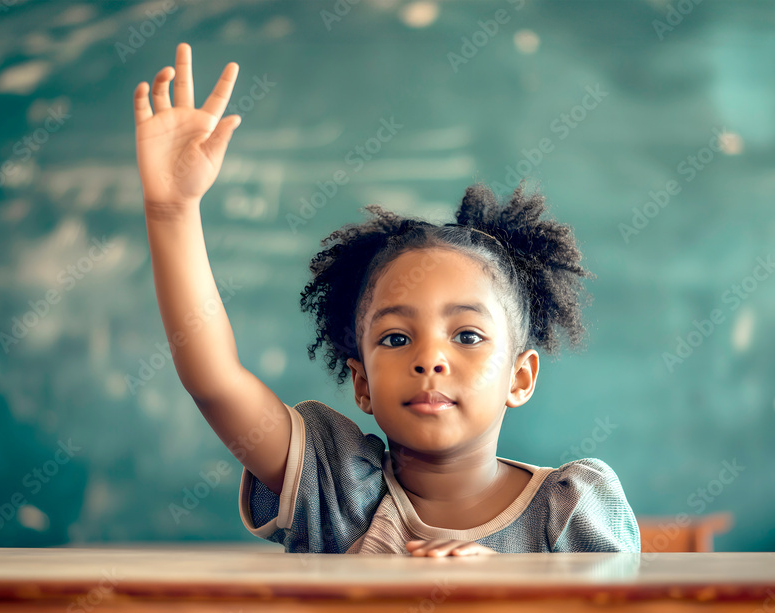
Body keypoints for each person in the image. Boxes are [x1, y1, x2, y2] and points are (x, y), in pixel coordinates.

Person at [133, 43, 640, 557]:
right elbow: (214, 380)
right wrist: (172, 210)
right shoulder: (334, 488)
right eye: (396, 338)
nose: (429, 360)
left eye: (466, 335)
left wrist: (510, 591)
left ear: (520, 376)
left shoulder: (571, 511)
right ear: (362, 383)